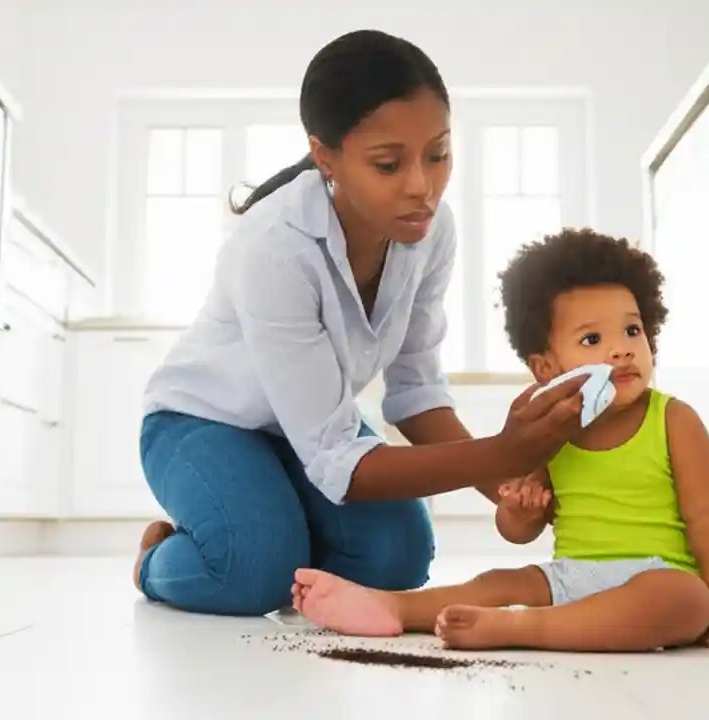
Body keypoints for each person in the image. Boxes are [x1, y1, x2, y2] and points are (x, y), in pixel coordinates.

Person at [133, 29, 586, 617]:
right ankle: (159, 561)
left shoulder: (431, 232)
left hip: (305, 430)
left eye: (438, 155)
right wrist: (503, 453)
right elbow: (336, 460)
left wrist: (514, 488)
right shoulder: (275, 248)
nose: (422, 186)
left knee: (397, 558)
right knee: (252, 570)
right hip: (202, 421)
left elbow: (416, 395)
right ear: (326, 156)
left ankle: (271, 533)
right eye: (388, 164)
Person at [291, 228, 709, 652]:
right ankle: (390, 606)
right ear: (546, 368)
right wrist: (520, 509)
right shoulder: (551, 425)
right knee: (499, 582)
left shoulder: (674, 420)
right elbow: (519, 530)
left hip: (658, 577)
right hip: (571, 579)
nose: (622, 349)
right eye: (592, 340)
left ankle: (523, 627)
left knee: (688, 600)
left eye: (632, 330)